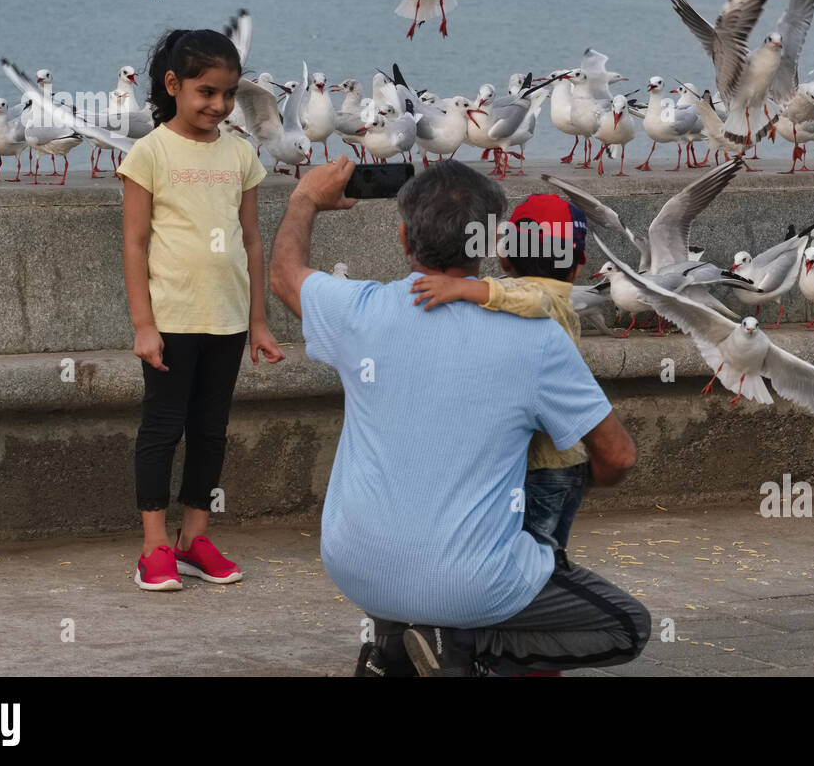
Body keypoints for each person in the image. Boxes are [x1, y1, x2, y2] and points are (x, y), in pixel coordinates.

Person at [270, 157, 649, 676]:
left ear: (404, 239)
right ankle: (460, 648)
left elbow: (285, 274)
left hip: (356, 566)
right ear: (490, 245)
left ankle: (395, 650)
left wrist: (305, 199)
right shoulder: (536, 338)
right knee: (626, 626)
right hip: (468, 585)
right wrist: (573, 484)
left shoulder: (358, 312)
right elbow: (619, 456)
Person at [117, 28, 284, 592]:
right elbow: (135, 244)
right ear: (174, 85)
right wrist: (144, 325)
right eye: (206, 92)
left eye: (228, 94)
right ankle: (153, 545)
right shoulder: (150, 152)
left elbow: (252, 241)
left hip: (229, 320)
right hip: (171, 320)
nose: (218, 105)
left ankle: (194, 538)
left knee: (211, 431)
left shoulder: (240, 154)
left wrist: (259, 321)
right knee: (163, 429)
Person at [409, 194, 593, 558]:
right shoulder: (540, 297)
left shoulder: (547, 301)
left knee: (539, 559)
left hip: (549, 469)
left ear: (506, 259)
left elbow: (532, 299)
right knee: (535, 555)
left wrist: (463, 287)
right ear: (577, 267)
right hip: (556, 465)